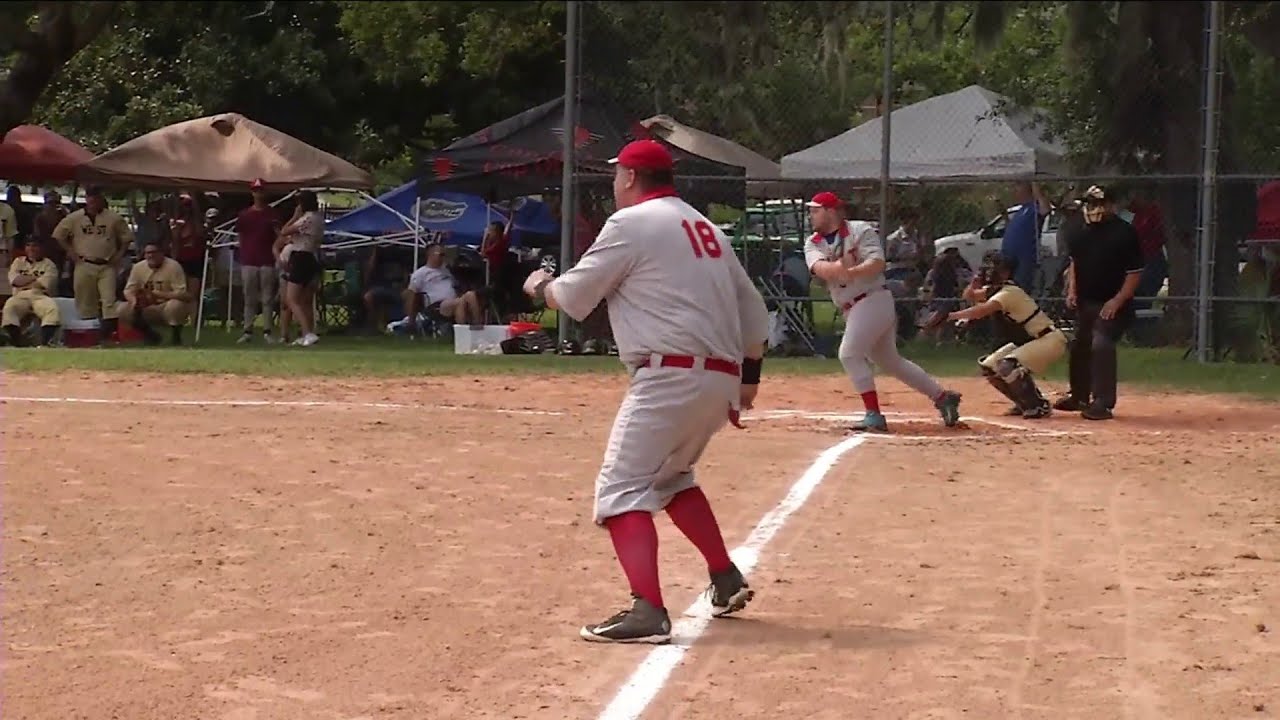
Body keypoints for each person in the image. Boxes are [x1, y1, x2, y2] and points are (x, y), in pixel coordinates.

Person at [520, 139, 769, 645]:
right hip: (718, 375)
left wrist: (540, 283)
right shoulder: (706, 228)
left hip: (670, 375)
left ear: (631, 177)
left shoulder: (632, 222)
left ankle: (647, 610)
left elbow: (572, 299)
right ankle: (724, 578)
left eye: (617, 175)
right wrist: (747, 381)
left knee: (620, 489)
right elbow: (755, 315)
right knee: (672, 478)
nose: (615, 184)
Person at [804, 191, 962, 432]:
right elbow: (820, 269)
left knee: (849, 353)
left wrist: (852, 271)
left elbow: (877, 263)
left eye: (816, 210)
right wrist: (839, 267)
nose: (811, 216)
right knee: (889, 360)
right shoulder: (813, 242)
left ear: (831, 211)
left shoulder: (860, 230)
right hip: (853, 307)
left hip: (872, 300)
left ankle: (874, 414)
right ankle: (942, 397)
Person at [1055, 185, 1144, 420]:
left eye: (1099, 204)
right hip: (1086, 301)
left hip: (1114, 304)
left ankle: (1103, 402)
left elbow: (1134, 273)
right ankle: (1079, 396)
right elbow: (1075, 263)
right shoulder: (1078, 231)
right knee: (1079, 345)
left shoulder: (1124, 233)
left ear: (1111, 206)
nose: (1093, 209)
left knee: (1101, 344)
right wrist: (1072, 289)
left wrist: (1117, 300)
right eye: (1090, 204)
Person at [946, 253, 1068, 418]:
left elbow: (981, 311)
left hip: (1048, 340)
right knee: (989, 366)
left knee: (1007, 365)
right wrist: (974, 283)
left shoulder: (1010, 292)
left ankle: (1038, 405)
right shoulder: (995, 290)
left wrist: (951, 315)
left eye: (995, 268)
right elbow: (970, 296)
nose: (989, 272)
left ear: (1005, 273)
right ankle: (1023, 402)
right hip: (1029, 341)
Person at [51, 186, 134, 345]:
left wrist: (119, 254)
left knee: (108, 299)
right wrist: (71, 252)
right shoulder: (75, 218)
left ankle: (110, 335)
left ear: (101, 198)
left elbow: (126, 238)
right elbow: (59, 235)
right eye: (90, 197)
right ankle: (89, 335)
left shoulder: (113, 218)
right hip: (84, 263)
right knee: (85, 300)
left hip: (106, 264)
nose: (93, 201)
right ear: (86, 199)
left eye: (96, 197)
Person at [274, 190, 325, 347]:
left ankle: (308, 333)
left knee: (291, 299)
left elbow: (284, 231)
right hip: (311, 257)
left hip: (300, 257)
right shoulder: (319, 218)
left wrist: (295, 216)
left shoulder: (306, 219)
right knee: (304, 300)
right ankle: (307, 333)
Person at [118, 242, 193, 346]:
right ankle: (151, 336)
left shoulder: (173, 266)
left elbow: (182, 293)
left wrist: (159, 294)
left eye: (154, 252)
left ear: (162, 253)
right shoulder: (138, 267)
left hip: (165, 305)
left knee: (176, 305)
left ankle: (176, 338)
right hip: (147, 306)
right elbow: (128, 290)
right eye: (147, 253)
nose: (150, 255)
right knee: (121, 309)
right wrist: (133, 301)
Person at [236, 179, 282, 343]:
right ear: (252, 192)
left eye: (261, 190)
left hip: (267, 260)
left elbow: (279, 235)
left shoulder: (272, 214)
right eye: (256, 190)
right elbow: (240, 237)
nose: (258, 193)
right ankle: (247, 330)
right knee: (249, 297)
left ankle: (267, 331)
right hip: (249, 260)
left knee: (267, 297)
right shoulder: (244, 215)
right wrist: (243, 254)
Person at [404, 243, 484, 327]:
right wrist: (411, 319)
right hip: (437, 305)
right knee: (461, 302)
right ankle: (466, 332)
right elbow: (411, 293)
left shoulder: (446, 271)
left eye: (444, 255)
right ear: (430, 255)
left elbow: (456, 285)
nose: (443, 257)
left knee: (470, 295)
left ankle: (476, 326)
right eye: (441, 255)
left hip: (453, 301)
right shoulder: (420, 274)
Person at [2, 237, 61, 347]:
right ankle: (15, 344)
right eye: (28, 245)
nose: (31, 248)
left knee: (52, 308)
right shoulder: (18, 262)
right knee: (9, 307)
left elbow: (44, 284)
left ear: (42, 248)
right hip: (20, 295)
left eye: (35, 245)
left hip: (39, 295)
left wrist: (25, 280)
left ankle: (45, 343)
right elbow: (15, 281)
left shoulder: (49, 264)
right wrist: (34, 278)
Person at [1001, 182, 1050, 292]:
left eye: (1018, 186)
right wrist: (1005, 217)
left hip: (1025, 258)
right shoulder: (1021, 210)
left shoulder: (1034, 207)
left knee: (1021, 288)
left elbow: (1045, 209)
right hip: (1009, 258)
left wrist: (1035, 185)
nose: (1015, 190)